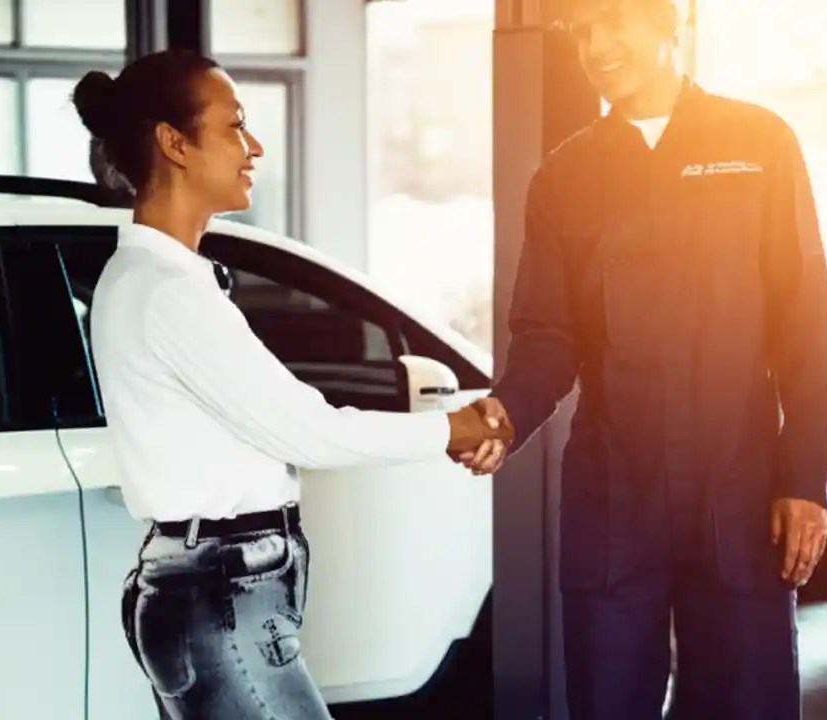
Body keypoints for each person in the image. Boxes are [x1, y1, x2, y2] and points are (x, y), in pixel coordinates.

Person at [73, 50, 510, 720]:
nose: (254, 147)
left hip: (208, 592)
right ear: (173, 142)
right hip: (220, 598)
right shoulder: (165, 292)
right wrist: (455, 426)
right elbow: (308, 430)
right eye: (234, 127)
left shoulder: (150, 278)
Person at [459, 0, 827, 717]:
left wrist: (805, 479)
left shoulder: (758, 142)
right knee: (605, 702)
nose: (596, 45)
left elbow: (804, 326)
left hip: (741, 487)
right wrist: (503, 416)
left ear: (668, 27)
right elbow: (546, 336)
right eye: (582, 32)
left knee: (745, 703)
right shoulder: (566, 175)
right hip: (615, 491)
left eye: (613, 24)